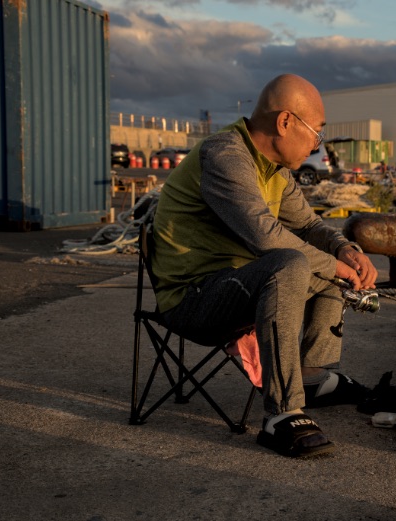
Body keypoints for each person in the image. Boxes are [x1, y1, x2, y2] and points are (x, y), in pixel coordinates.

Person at [150, 74, 378, 458]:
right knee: (289, 263)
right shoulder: (225, 156)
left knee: (320, 272)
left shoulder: (276, 171)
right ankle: (281, 412)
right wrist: (334, 267)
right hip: (193, 299)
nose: (317, 144)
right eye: (316, 132)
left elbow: (307, 224)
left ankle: (311, 377)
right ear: (285, 121)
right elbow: (266, 237)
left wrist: (344, 250)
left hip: (238, 286)